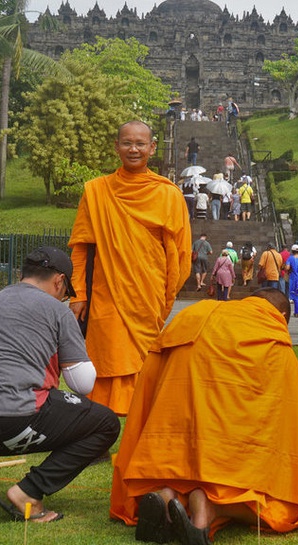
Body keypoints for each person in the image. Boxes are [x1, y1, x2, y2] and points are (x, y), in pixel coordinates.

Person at [110, 289, 298, 545]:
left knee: (183, 472)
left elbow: (151, 375)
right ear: (282, 315)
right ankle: (211, 507)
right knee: (286, 508)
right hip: (225, 453)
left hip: (175, 432)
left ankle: (168, 495)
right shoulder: (270, 332)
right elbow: (283, 422)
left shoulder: (198, 312)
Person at [0, 247, 121, 521]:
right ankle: (29, 491)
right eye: (66, 293)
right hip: (7, 422)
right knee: (106, 423)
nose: (63, 298)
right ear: (59, 281)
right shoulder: (57, 311)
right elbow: (82, 383)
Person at [69, 120, 192, 416]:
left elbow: (180, 252)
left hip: (149, 291)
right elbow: (81, 247)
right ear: (117, 146)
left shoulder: (168, 194)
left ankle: (141, 421)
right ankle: (99, 422)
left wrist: (167, 292)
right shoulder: (97, 191)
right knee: (106, 354)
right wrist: (79, 294)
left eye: (140, 144)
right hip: (107, 291)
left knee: (146, 359)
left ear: (152, 147)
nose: (133, 149)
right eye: (127, 143)